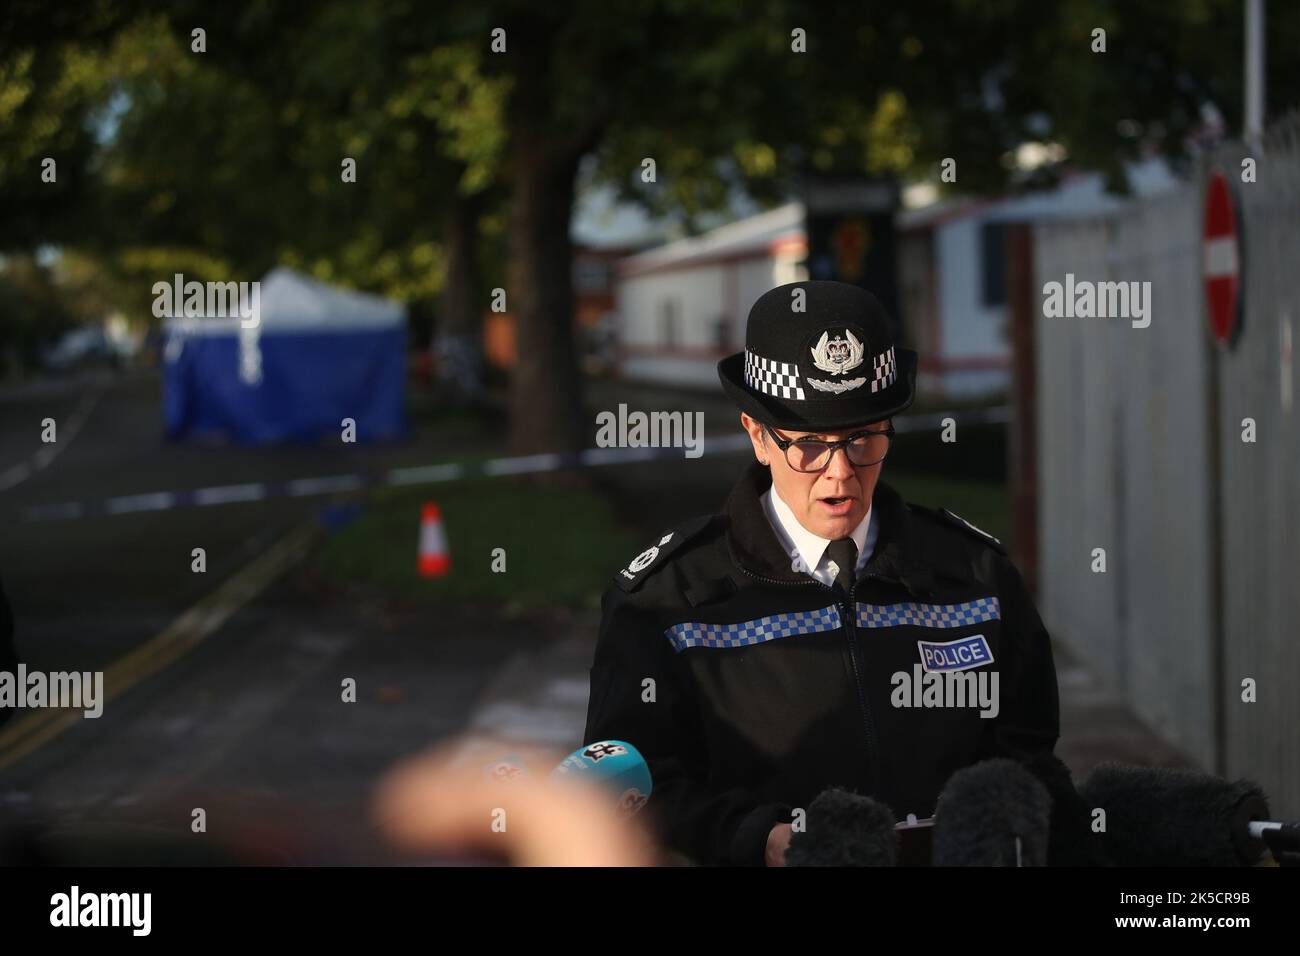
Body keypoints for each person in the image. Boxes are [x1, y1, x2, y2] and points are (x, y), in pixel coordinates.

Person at [583, 280, 1059, 866]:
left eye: (864, 439)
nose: (839, 473)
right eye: (808, 444)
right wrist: (757, 840)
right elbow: (629, 789)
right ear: (757, 435)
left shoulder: (977, 576)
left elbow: (1030, 761)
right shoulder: (666, 602)